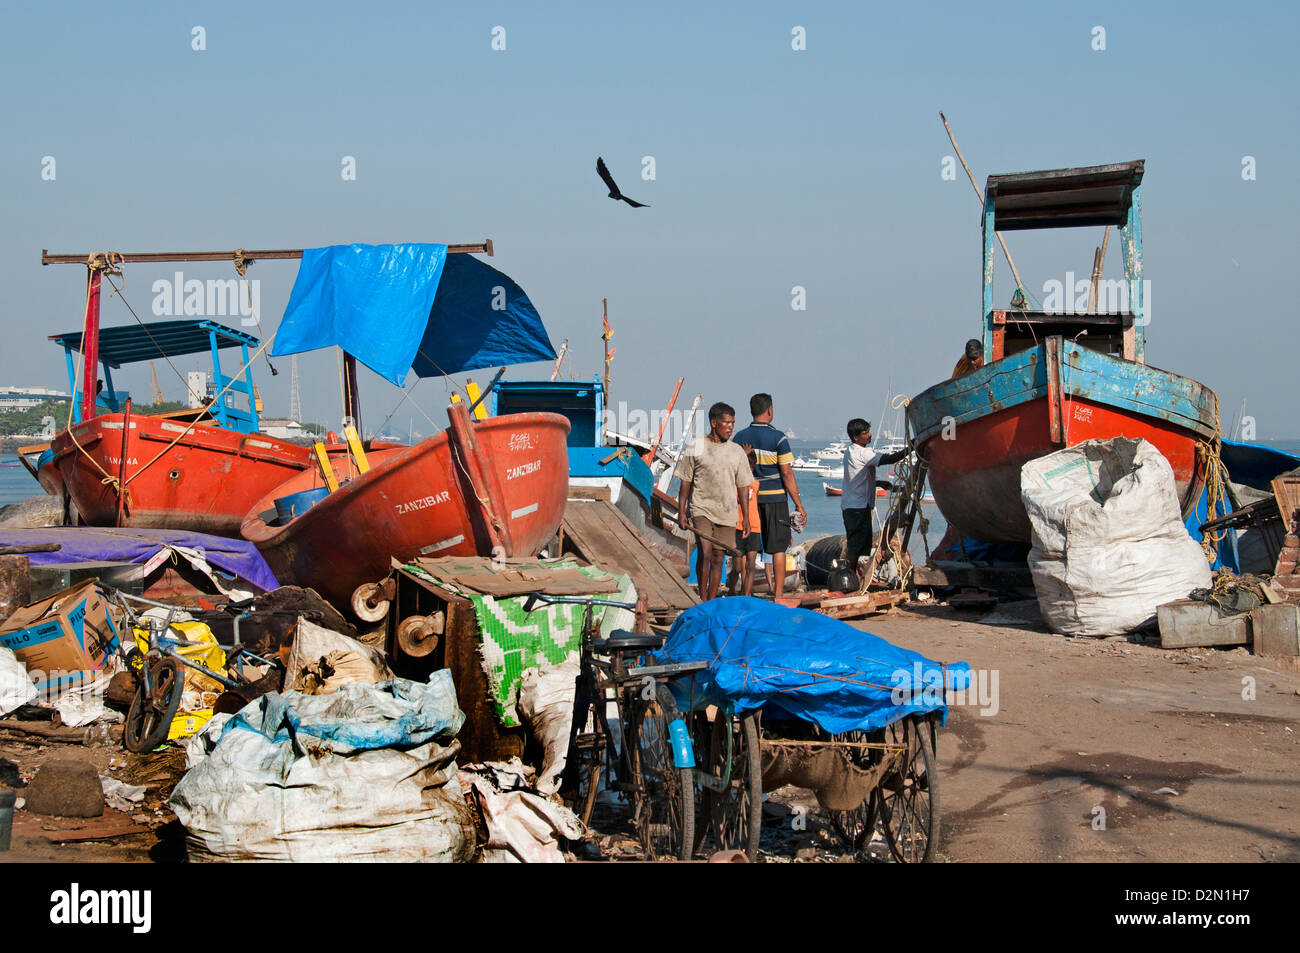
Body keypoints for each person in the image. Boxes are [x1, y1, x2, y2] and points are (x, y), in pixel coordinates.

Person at [677, 402, 753, 601]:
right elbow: (685, 481)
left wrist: (745, 518)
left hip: (727, 512)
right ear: (713, 423)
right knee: (705, 551)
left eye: (732, 423)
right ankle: (702, 599)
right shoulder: (696, 447)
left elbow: (743, 487)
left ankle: (710, 601)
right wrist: (682, 511)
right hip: (701, 508)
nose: (730, 427)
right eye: (726, 422)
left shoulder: (737, 452)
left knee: (719, 557)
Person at [734, 393, 806, 600]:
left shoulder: (739, 438)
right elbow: (786, 473)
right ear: (770, 410)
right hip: (775, 498)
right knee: (778, 548)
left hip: (749, 500)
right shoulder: (779, 438)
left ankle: (743, 592)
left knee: (750, 549)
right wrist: (799, 504)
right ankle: (779, 594)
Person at [841, 418, 909, 576]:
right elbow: (889, 459)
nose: (869, 435)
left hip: (852, 506)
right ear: (856, 437)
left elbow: (857, 478)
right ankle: (850, 578)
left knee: (858, 544)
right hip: (858, 507)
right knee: (857, 545)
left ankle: (853, 577)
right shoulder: (864, 452)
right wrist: (912, 447)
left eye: (868, 431)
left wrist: (877, 482)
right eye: (865, 433)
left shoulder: (850, 451)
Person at [726, 450, 761, 596]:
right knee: (738, 567)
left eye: (751, 467)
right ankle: (732, 588)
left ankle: (746, 594)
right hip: (737, 526)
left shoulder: (756, 484)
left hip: (754, 526)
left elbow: (755, 505)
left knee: (751, 564)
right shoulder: (734, 483)